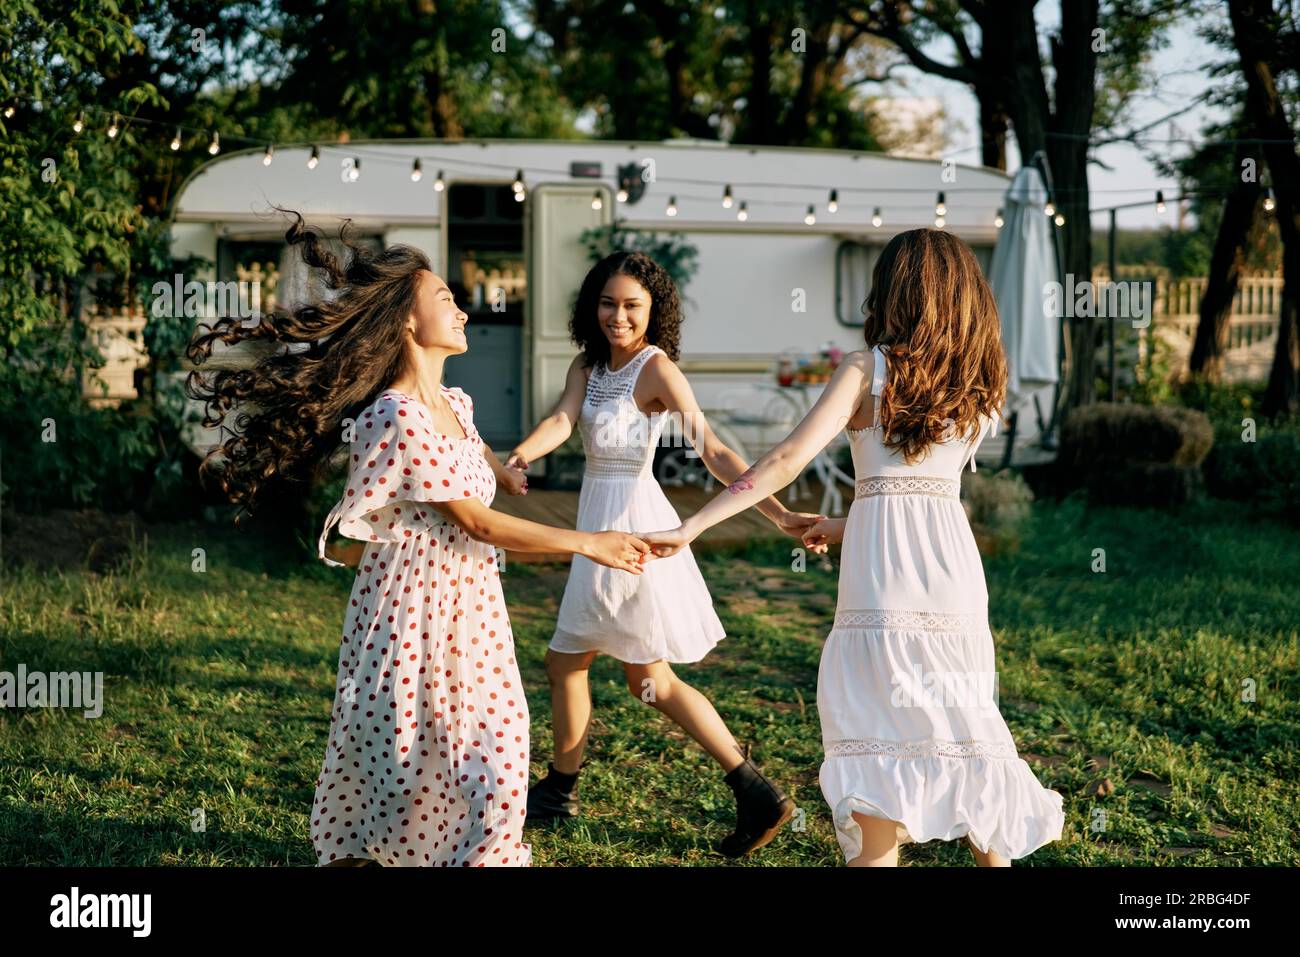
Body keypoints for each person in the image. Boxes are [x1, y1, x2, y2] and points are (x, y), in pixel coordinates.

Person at [186, 213, 650, 866]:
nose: (462, 308)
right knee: (405, 771)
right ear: (408, 321)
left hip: (472, 610)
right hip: (410, 611)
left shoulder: (454, 404)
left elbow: (475, 456)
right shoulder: (392, 414)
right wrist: (588, 541)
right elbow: (476, 524)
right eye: (445, 300)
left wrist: (503, 468)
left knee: (497, 754)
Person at [641, 229, 1066, 866]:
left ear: (895, 289)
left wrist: (694, 525)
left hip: (883, 586)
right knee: (970, 734)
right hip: (953, 576)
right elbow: (926, 489)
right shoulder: (983, 380)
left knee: (876, 748)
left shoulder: (868, 368)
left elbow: (786, 458)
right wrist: (849, 524)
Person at [503, 251, 821, 856]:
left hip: (632, 528)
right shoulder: (589, 364)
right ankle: (753, 789)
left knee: (580, 663)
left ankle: (560, 791)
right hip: (599, 522)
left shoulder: (657, 369)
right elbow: (563, 421)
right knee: (640, 676)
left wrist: (778, 514)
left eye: (631, 306)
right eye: (607, 303)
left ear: (653, 312)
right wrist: (521, 454)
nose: (617, 317)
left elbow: (713, 450)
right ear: (591, 305)